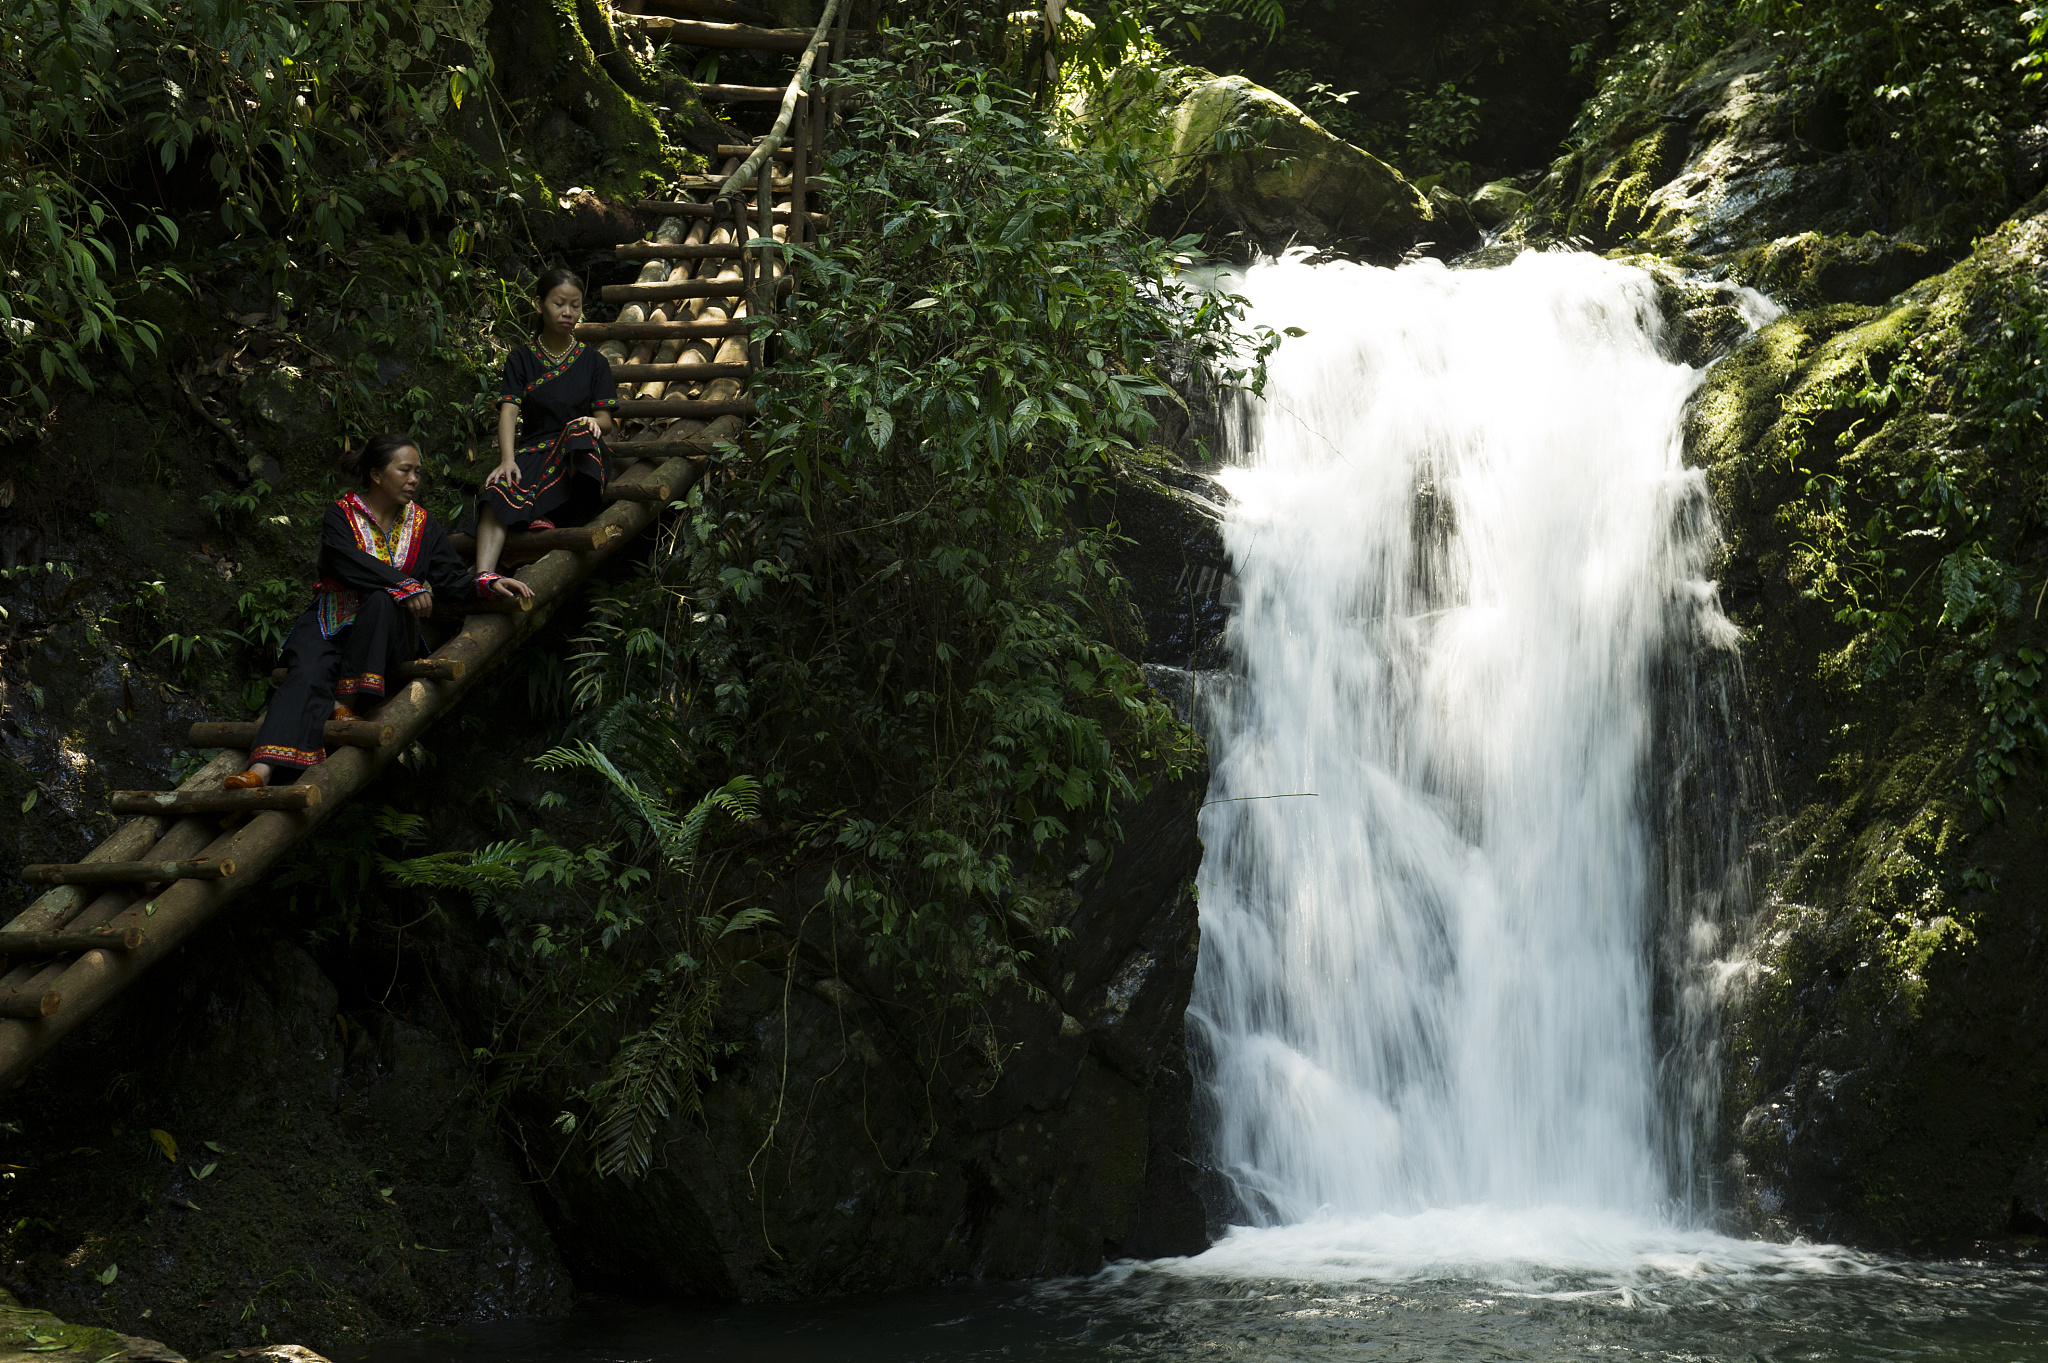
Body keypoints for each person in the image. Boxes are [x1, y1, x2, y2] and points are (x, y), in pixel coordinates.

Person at [224, 434, 535, 789]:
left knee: (382, 599)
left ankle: (346, 701)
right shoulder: (340, 515)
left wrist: (488, 582)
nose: (414, 479)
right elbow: (341, 561)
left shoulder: (423, 524)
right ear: (375, 475)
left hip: (389, 636)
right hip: (331, 621)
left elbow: (449, 579)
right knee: (306, 671)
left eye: (418, 472)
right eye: (405, 470)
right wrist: (405, 584)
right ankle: (259, 772)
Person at [474, 267, 620, 576]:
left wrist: (592, 422)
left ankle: (546, 512)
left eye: (575, 305)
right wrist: (506, 460)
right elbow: (509, 411)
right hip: (533, 451)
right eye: (559, 303)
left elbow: (605, 421)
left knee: (578, 432)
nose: (568, 312)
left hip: (579, 455)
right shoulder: (521, 358)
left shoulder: (594, 362)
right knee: (496, 491)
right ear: (539, 304)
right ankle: (482, 576)